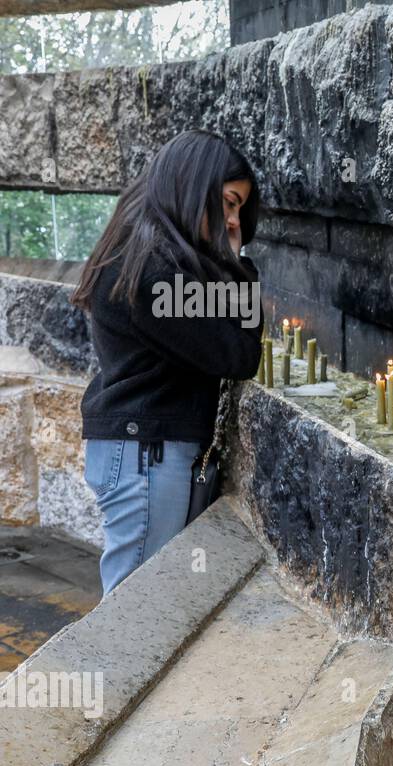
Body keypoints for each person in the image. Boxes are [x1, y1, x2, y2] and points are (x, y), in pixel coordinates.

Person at [71, 130, 264, 595]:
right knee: (134, 609)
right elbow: (238, 354)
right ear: (194, 187)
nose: (234, 221)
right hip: (146, 458)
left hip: (139, 452)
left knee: (141, 601)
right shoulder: (153, 273)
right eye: (228, 203)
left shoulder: (141, 249)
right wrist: (239, 266)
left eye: (239, 208)